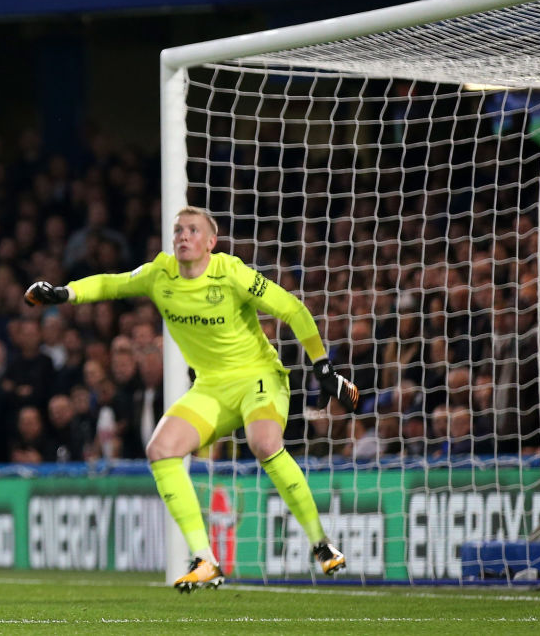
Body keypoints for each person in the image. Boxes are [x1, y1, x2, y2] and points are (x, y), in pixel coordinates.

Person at [25, 206, 359, 591]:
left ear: (210, 242)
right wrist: (65, 293)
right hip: (211, 387)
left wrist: (323, 368)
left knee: (264, 442)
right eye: (179, 230)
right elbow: (109, 284)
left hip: (258, 378)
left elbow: (293, 310)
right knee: (161, 448)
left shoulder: (232, 273)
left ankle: (320, 543)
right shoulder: (159, 274)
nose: (183, 236)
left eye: (193, 231)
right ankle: (205, 559)